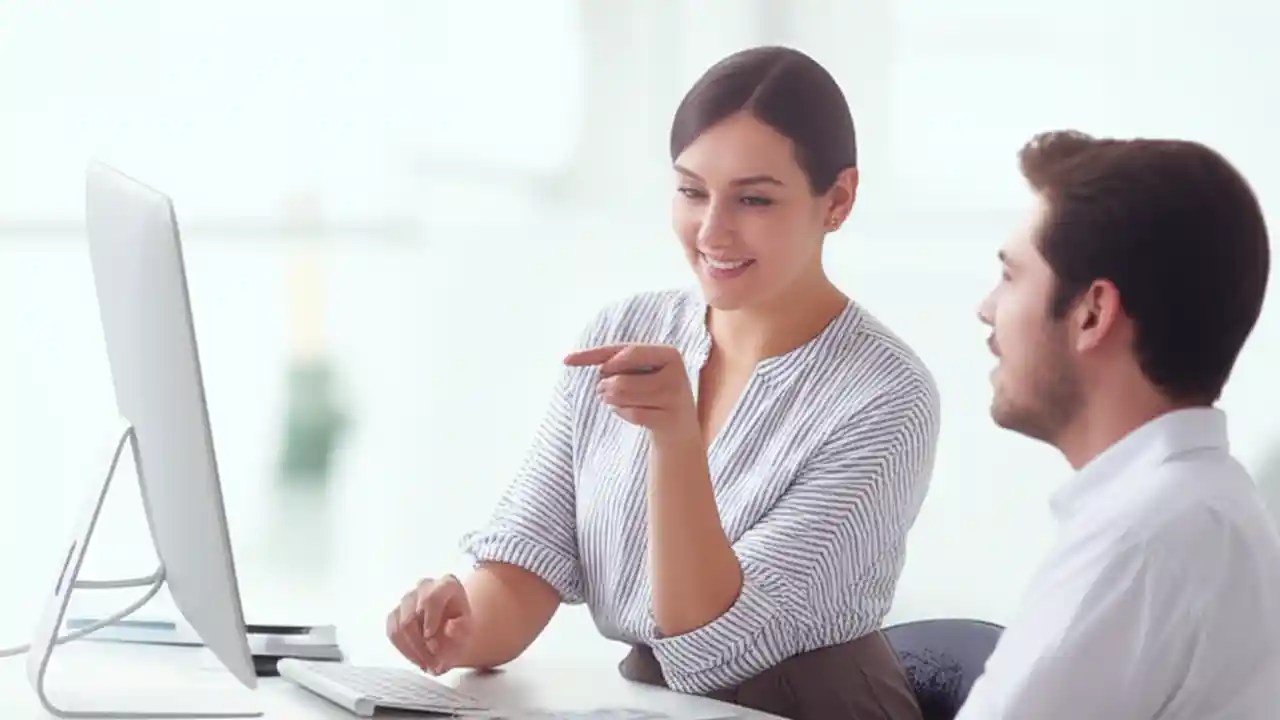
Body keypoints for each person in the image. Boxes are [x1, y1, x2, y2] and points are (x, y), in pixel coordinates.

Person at [386, 46, 939, 719]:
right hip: (658, 702)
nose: (712, 230)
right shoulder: (624, 328)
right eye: (690, 191)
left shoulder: (886, 396)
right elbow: (528, 558)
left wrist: (675, 439)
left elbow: (711, 643)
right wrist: (458, 626)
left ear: (839, 199)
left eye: (754, 198)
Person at [958, 130, 1280, 718]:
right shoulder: (1201, 510)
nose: (986, 308)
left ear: (1092, 313)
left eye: (1011, 276)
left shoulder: (1145, 540)